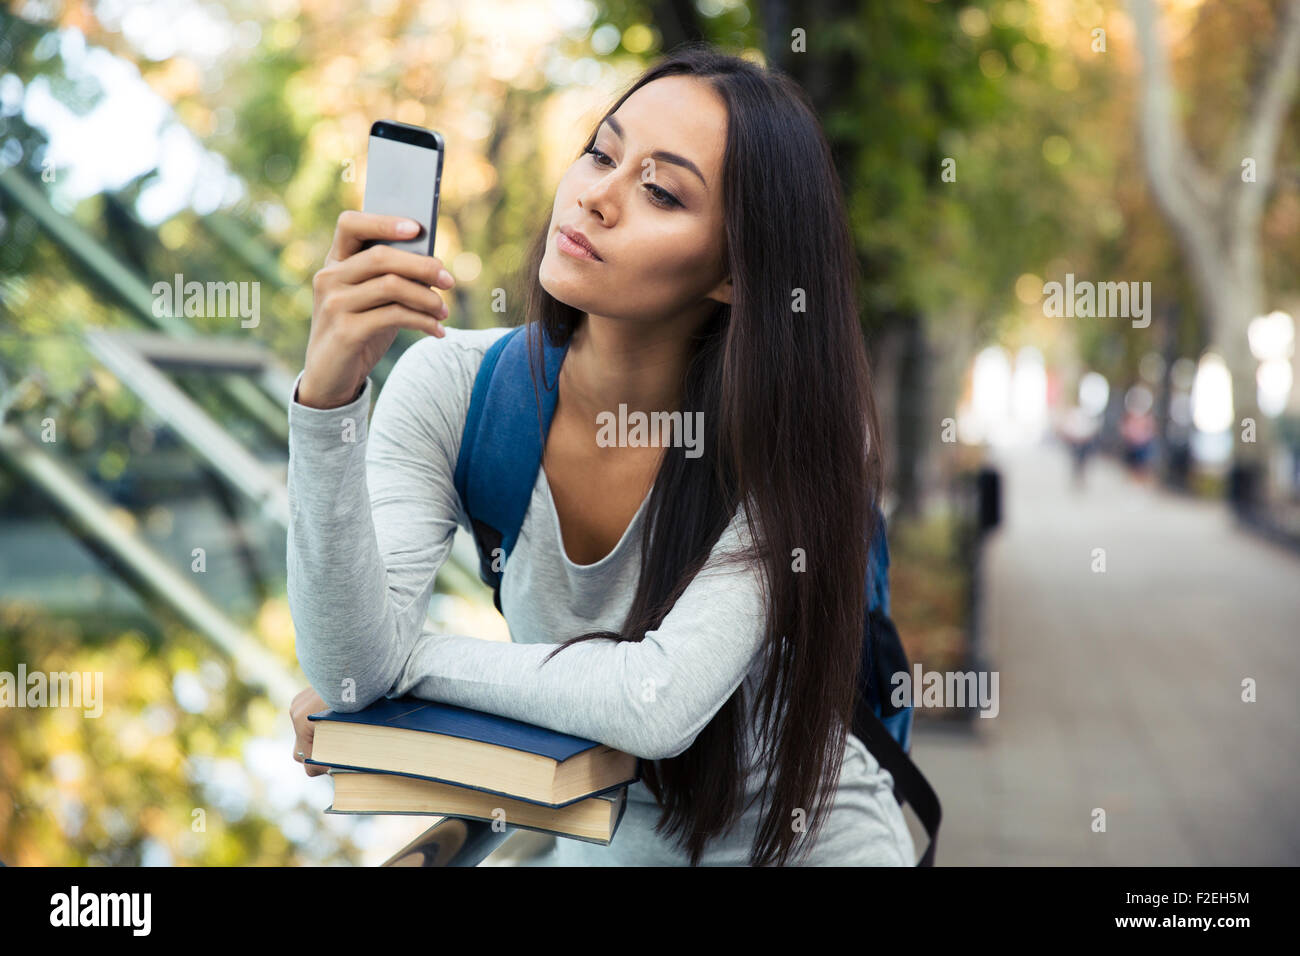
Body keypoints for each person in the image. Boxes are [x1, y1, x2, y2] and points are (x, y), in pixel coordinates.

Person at [286, 42, 914, 867]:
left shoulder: (795, 434)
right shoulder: (454, 389)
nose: (597, 196)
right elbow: (349, 668)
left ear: (734, 272)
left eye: (660, 191)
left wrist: (411, 659)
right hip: (601, 848)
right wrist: (327, 399)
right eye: (600, 153)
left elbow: (655, 700)